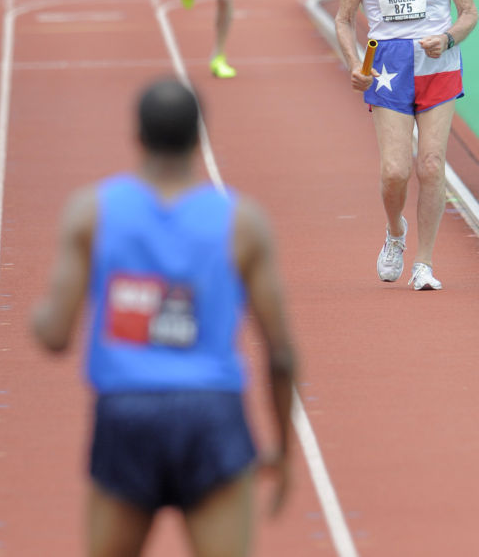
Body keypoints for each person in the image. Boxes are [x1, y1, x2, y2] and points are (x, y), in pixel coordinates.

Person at [31, 78, 296, 557]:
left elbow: (54, 336)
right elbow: (280, 355)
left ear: (137, 137)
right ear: (200, 138)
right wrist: (284, 453)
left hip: (127, 412)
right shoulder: (243, 222)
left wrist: (38, 317)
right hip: (211, 415)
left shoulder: (91, 213)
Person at [335, 0, 479, 291]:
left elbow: (469, 13)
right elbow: (344, 19)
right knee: (395, 171)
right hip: (388, 66)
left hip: (437, 63)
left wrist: (449, 37)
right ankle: (395, 232)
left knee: (431, 165)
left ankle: (425, 264)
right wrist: (353, 63)